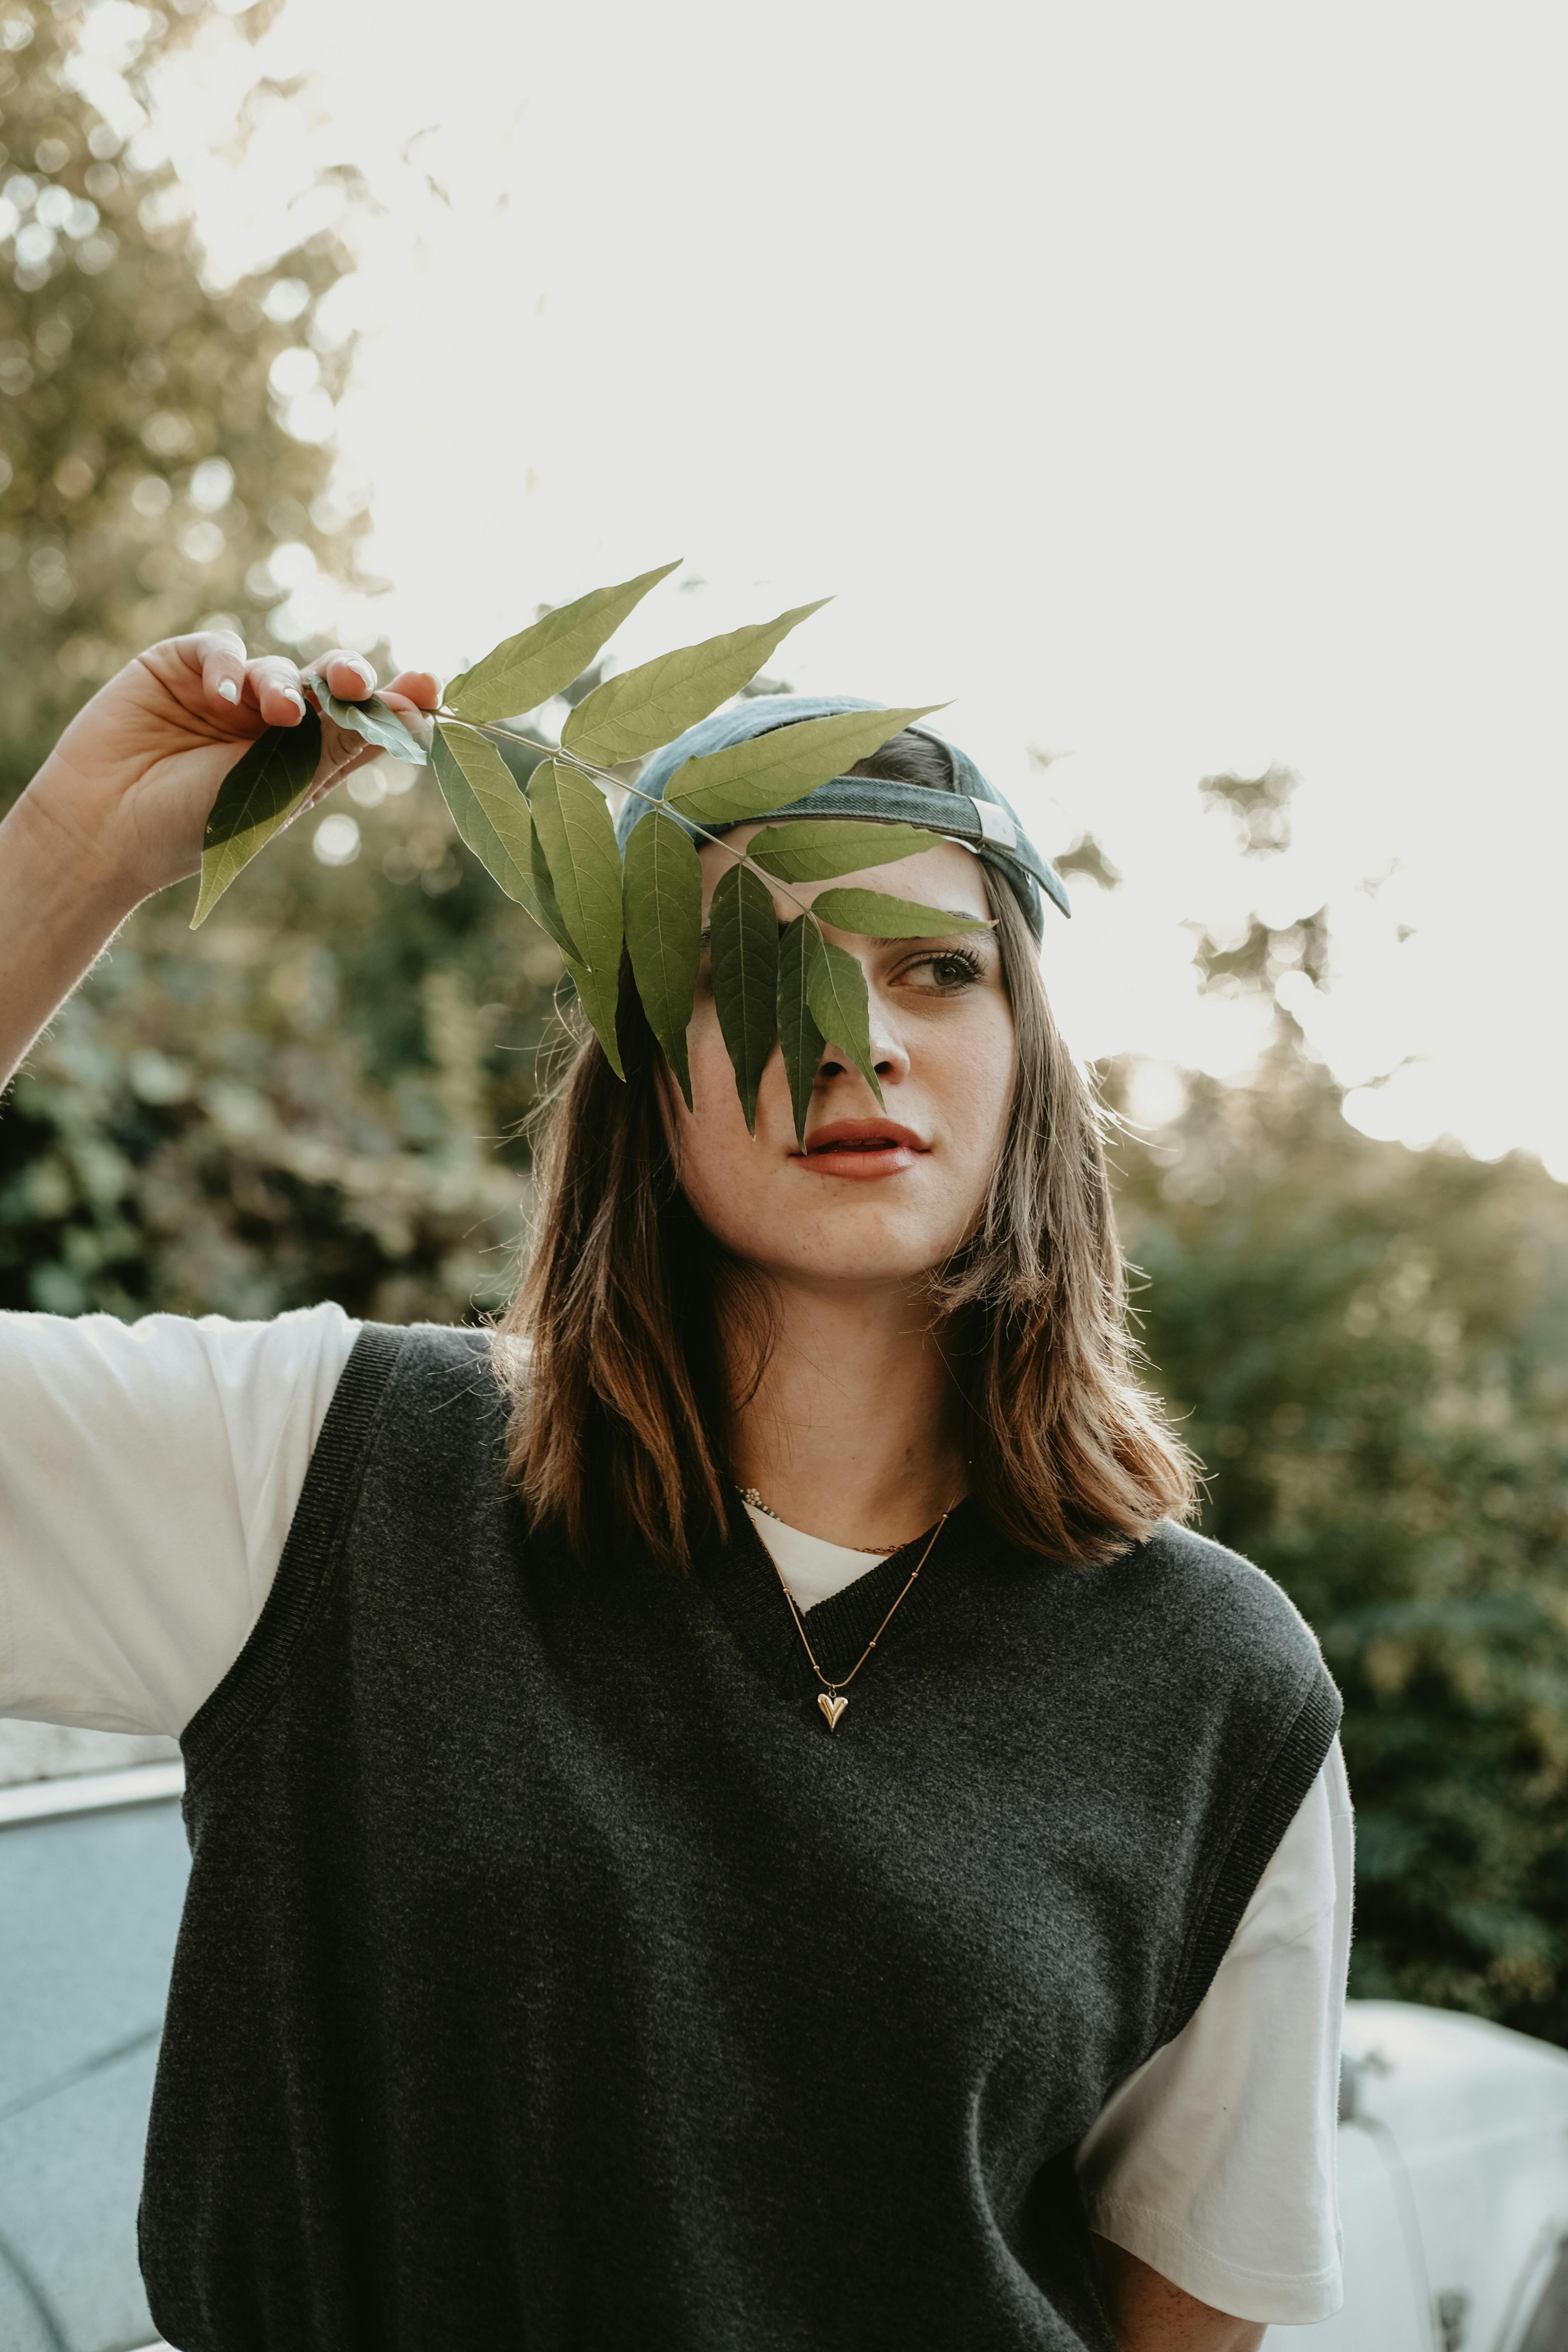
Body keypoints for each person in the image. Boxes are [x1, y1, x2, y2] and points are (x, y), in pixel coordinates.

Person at [0, 631, 1354, 2352]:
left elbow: (1179, 2323)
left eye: (937, 969)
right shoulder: (323, 1477)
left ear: (1027, 1059)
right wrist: (72, 850)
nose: (857, 1034)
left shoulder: (1218, 1688)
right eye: (753, 970)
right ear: (641, 1057)